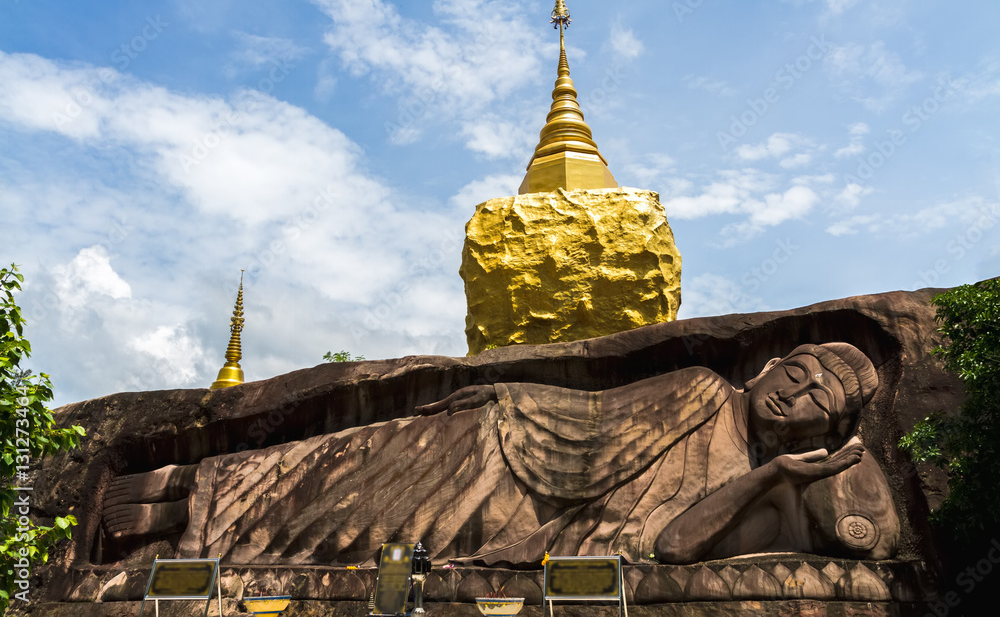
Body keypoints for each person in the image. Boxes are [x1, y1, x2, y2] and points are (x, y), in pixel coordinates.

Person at [102, 343, 897, 565]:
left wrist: (774, 475)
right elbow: (590, 420)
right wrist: (501, 396)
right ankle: (179, 491)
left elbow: (671, 544)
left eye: (815, 400)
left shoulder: (745, 473)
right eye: (795, 373)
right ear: (766, 365)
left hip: (531, 522)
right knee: (342, 470)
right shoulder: (699, 385)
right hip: (498, 448)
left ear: (818, 432)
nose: (794, 395)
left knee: (353, 536)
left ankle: (179, 539)